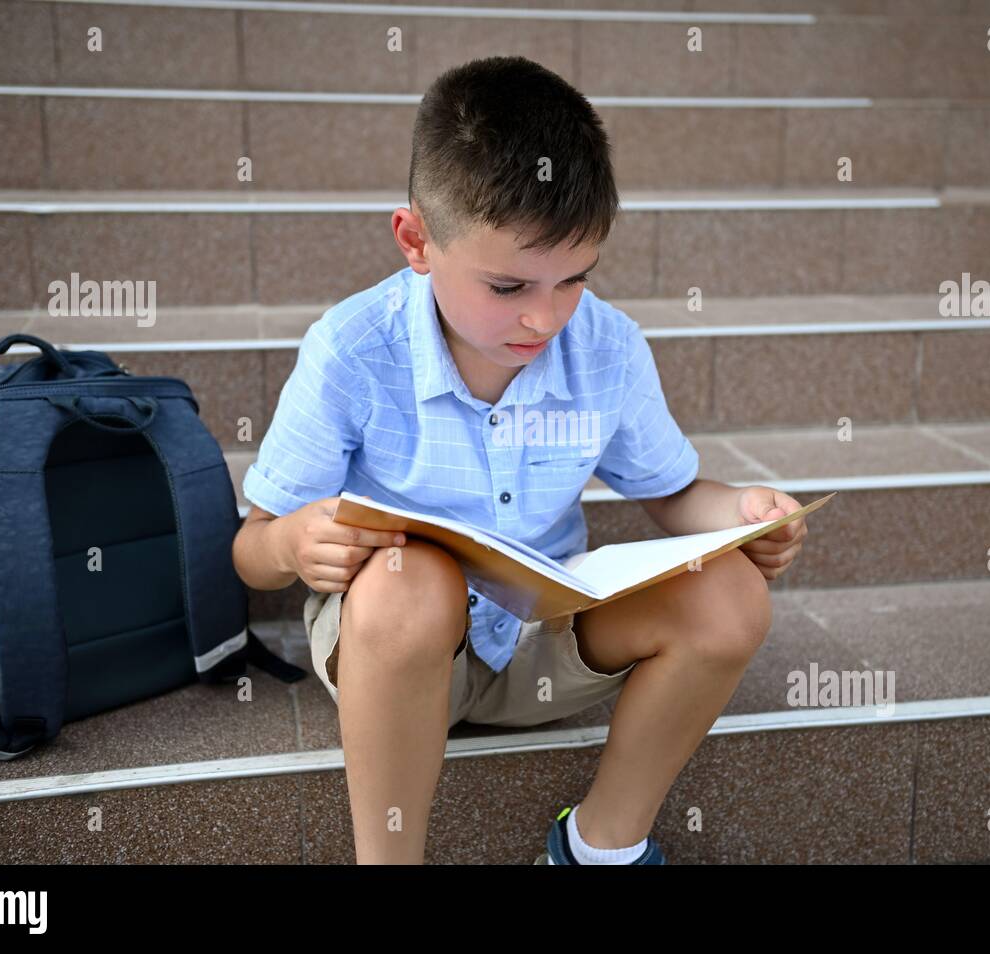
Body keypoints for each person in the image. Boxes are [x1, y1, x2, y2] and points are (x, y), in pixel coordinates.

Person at [232, 55, 808, 865]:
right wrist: (294, 542)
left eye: (573, 278)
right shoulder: (352, 351)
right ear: (416, 240)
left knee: (731, 597)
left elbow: (677, 496)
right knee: (409, 583)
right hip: (395, 650)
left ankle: (599, 847)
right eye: (508, 287)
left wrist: (743, 514)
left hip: (546, 636)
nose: (544, 318)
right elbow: (251, 553)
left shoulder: (605, 346)